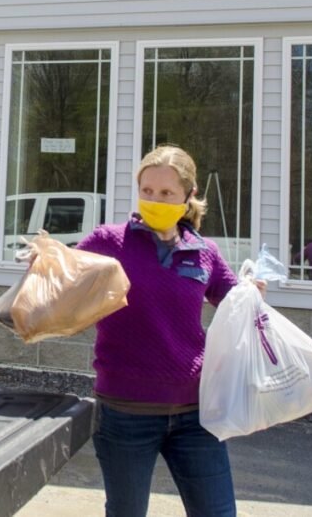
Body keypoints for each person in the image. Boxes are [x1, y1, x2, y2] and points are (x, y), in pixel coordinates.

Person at [75, 144, 264, 517]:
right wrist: (43, 258)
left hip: (195, 415)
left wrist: (253, 292)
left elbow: (235, 301)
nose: (154, 200)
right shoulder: (109, 241)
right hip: (125, 413)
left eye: (166, 193)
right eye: (147, 191)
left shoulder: (203, 252)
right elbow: (62, 276)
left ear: (188, 196)